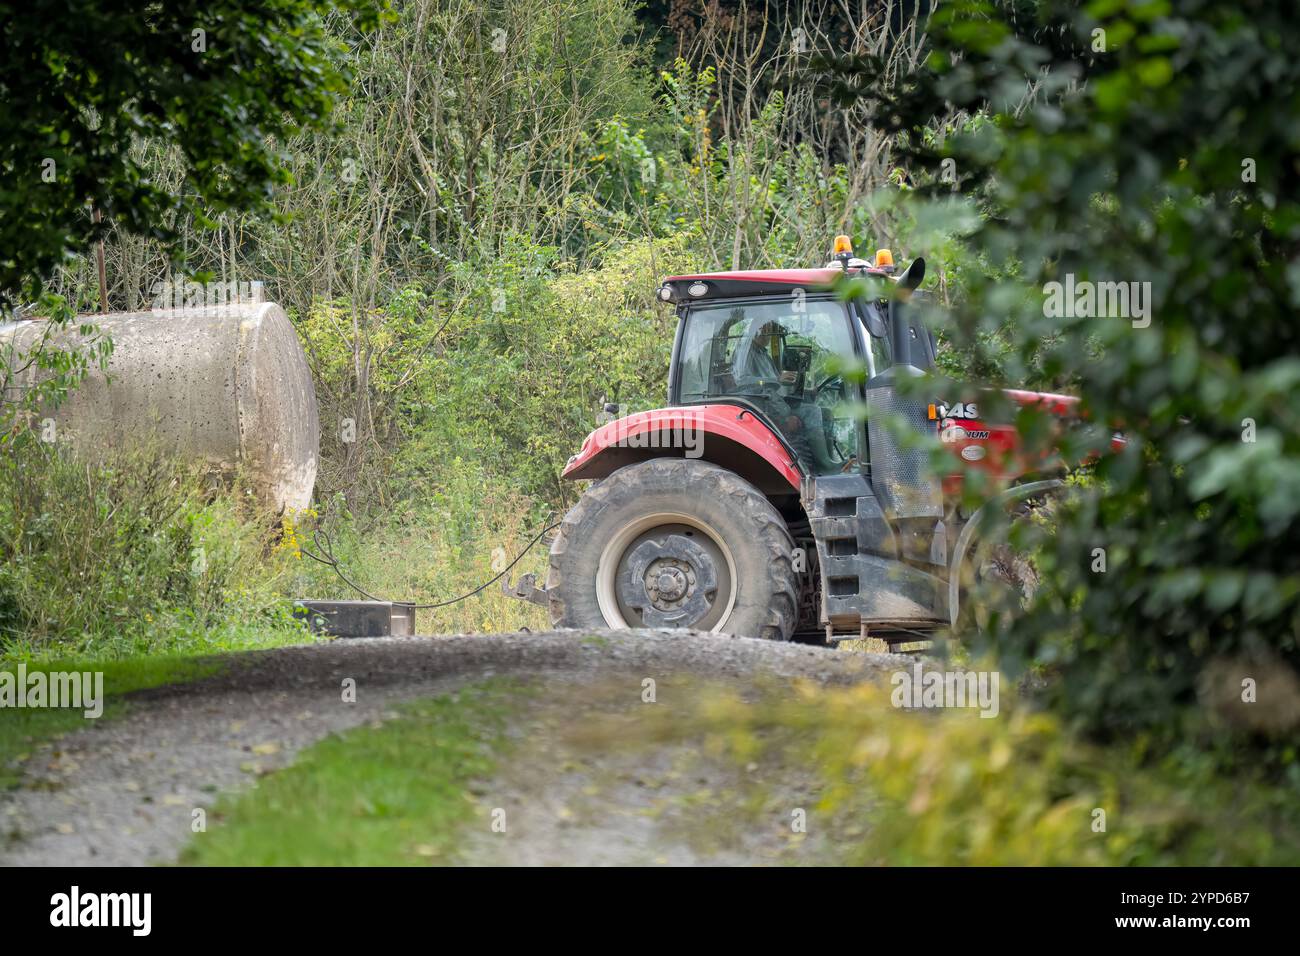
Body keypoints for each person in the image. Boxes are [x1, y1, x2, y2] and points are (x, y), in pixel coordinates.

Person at [730, 319, 839, 472]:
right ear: (758, 330)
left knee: (826, 413)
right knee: (813, 411)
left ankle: (829, 460)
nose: (770, 334)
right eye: (768, 329)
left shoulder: (763, 354)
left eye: (771, 329)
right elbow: (742, 382)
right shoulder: (745, 352)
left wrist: (806, 391)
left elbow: (778, 387)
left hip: (776, 402)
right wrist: (782, 417)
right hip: (764, 409)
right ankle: (824, 465)